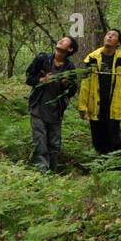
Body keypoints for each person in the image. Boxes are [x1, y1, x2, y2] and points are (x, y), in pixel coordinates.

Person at [24, 35, 79, 171]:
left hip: (56, 111)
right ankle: (42, 173)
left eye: (65, 40)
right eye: (61, 38)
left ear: (70, 49)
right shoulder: (42, 59)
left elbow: (72, 91)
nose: (61, 40)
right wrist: (42, 80)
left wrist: (66, 84)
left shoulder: (70, 67)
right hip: (38, 107)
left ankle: (53, 172)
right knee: (40, 142)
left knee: (54, 144)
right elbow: (29, 78)